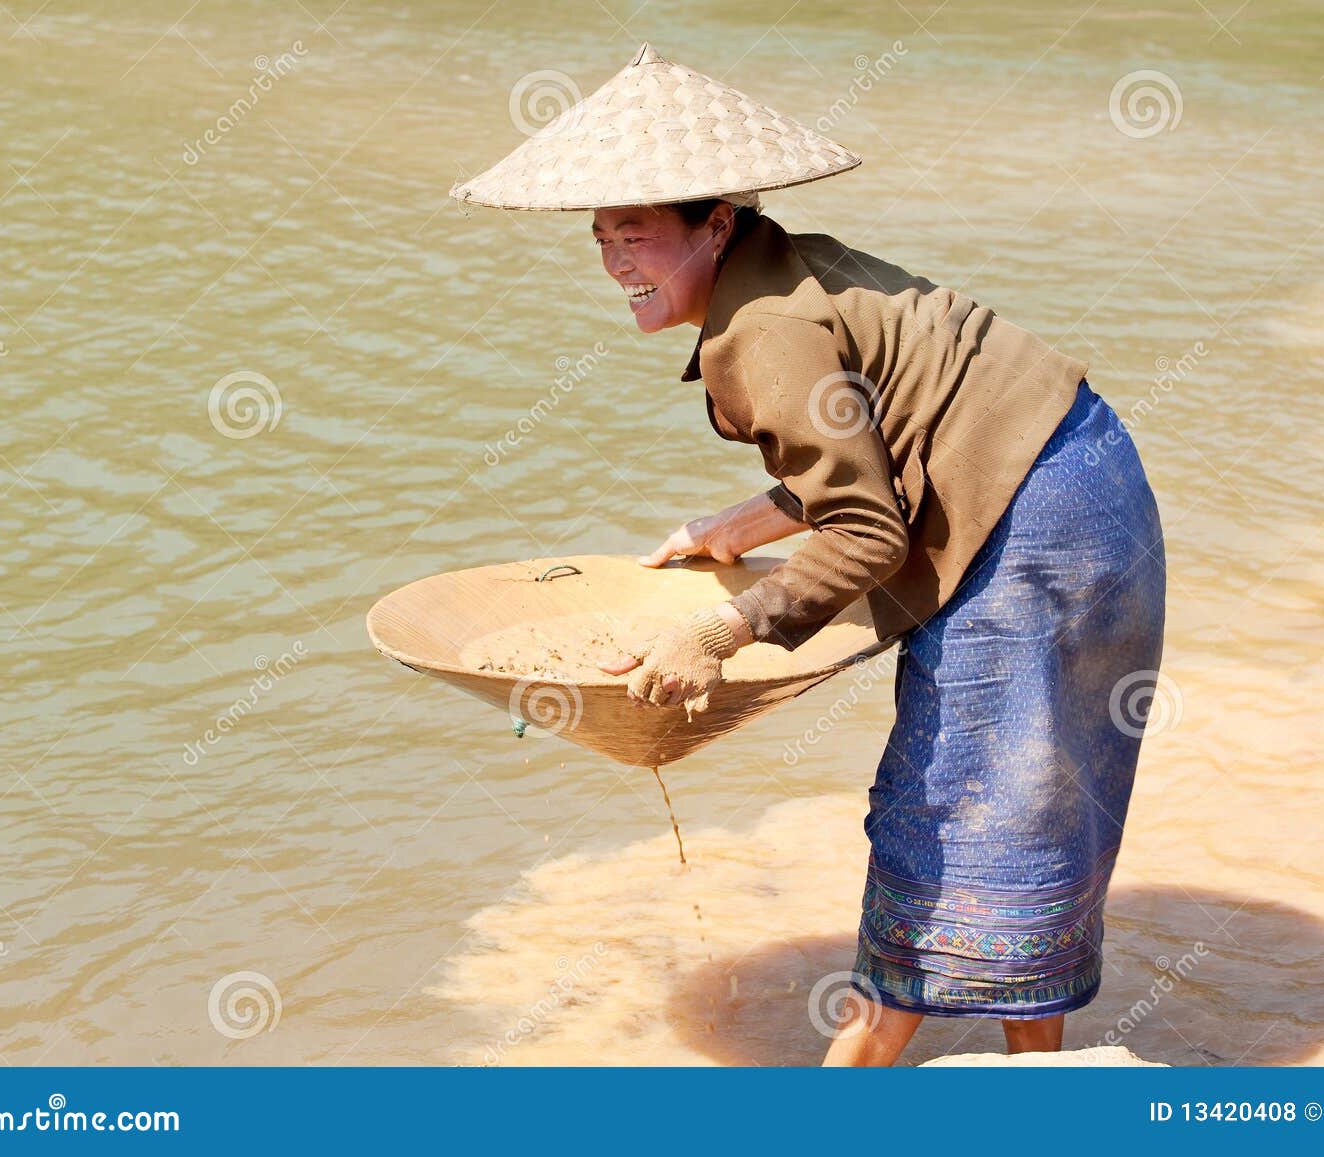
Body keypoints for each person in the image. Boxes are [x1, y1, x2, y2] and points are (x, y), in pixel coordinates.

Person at [451, 43, 1167, 1066]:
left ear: (716, 224)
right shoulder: (789, 267)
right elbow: (899, 438)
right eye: (601, 236)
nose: (615, 262)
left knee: (948, 800)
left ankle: (847, 1084)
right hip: (1087, 474)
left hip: (1033, 522)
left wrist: (720, 629)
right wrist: (740, 525)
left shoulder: (766, 329)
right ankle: (1035, 1078)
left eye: (638, 234)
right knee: (1022, 797)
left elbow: (870, 530)